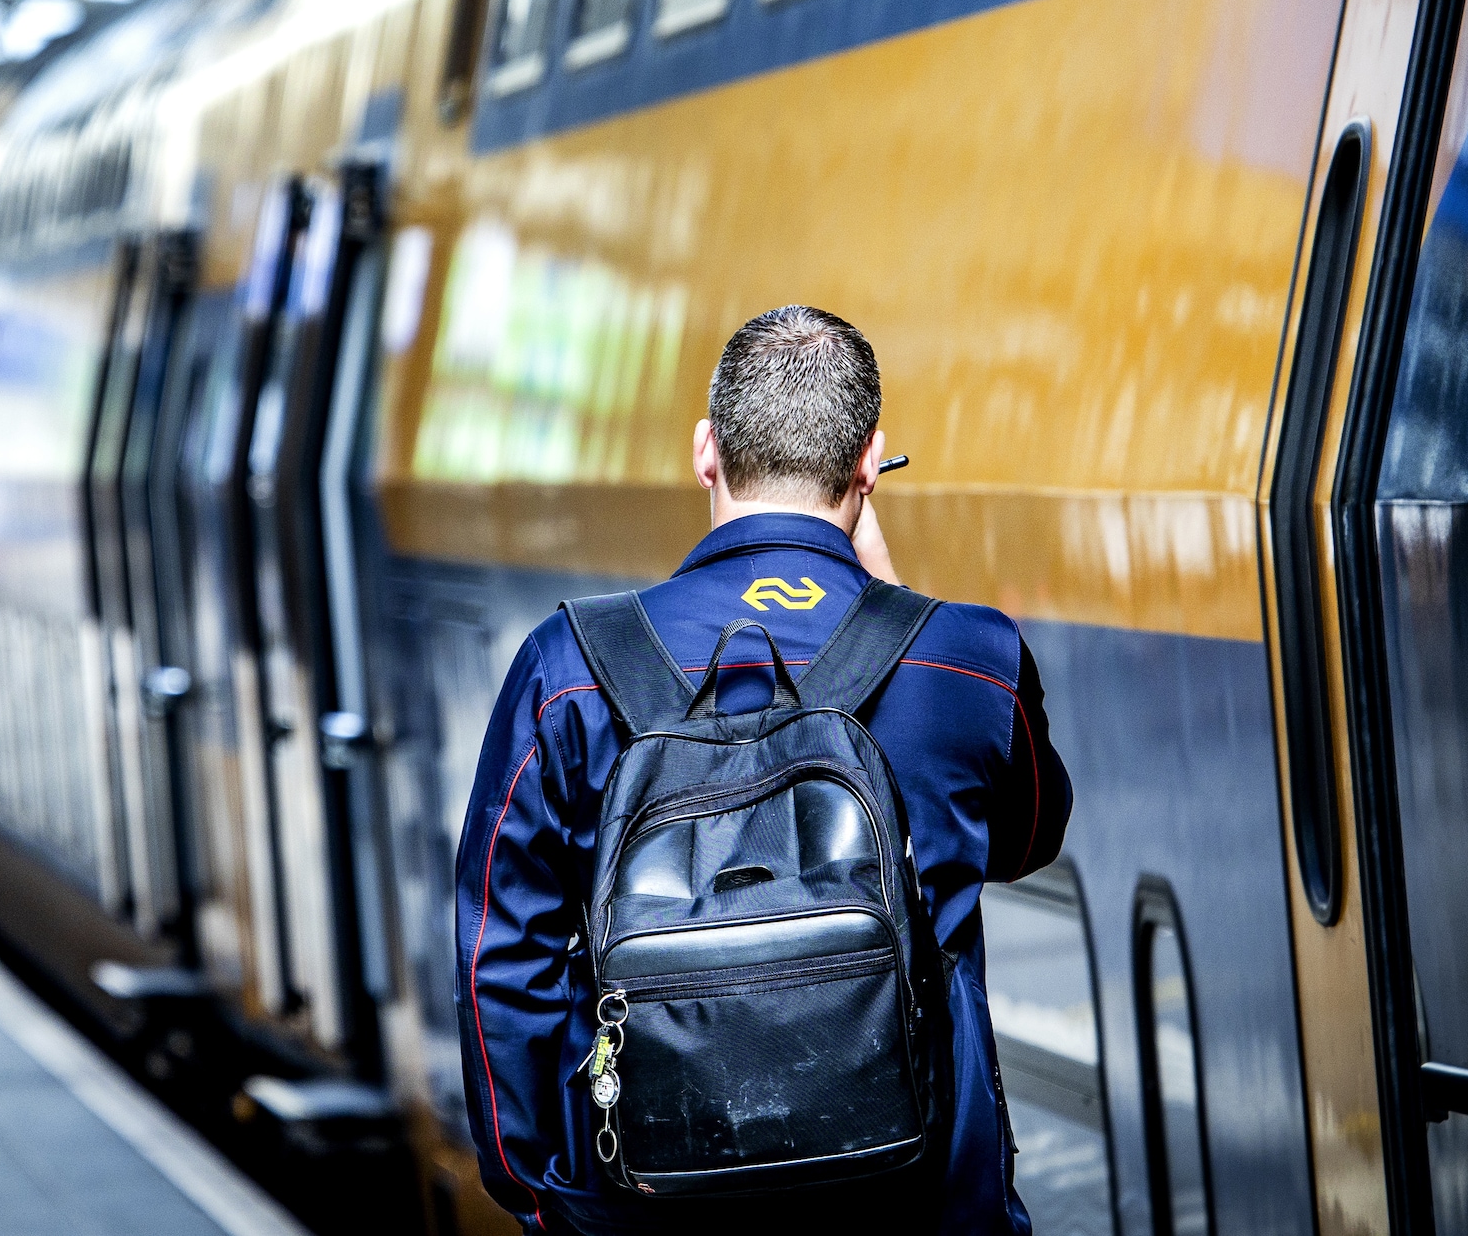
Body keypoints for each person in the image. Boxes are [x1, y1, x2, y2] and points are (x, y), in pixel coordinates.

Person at [455, 306, 1072, 1235]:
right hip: (927, 1212)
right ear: (870, 462)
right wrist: (896, 602)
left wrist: (543, 1198)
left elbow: (500, 959)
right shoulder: (969, 659)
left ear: (707, 451)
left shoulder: (567, 669)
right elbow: (1027, 836)